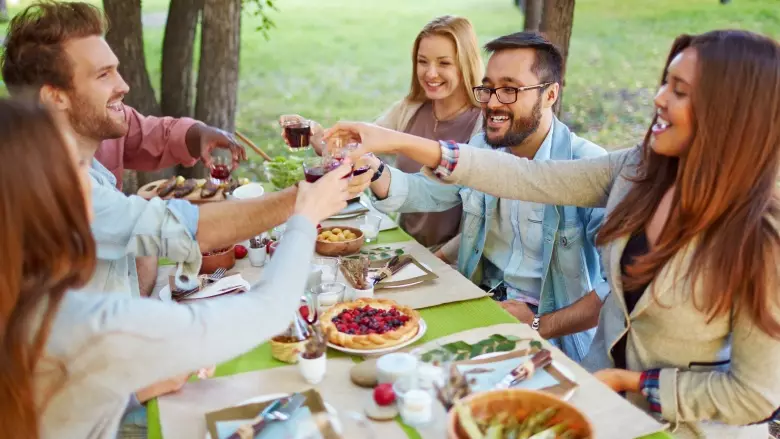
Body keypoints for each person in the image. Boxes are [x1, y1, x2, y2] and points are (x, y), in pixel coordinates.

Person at [327, 29, 780, 438]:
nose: (659, 98)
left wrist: (632, 383)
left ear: (730, 114)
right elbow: (524, 178)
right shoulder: (638, 170)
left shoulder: (761, 237)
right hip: (598, 396)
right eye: (665, 83)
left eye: (679, 91)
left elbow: (756, 395)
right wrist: (399, 142)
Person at [0, 98, 352, 439]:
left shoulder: (30, 304)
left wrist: (134, 392)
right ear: (42, 195)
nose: (98, 181)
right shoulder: (83, 322)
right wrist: (304, 216)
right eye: (78, 165)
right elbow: (270, 309)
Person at [0, 1, 364, 300]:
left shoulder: (78, 160)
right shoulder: (56, 190)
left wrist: (197, 134)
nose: (124, 85)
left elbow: (149, 136)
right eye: (103, 75)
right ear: (55, 97)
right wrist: (304, 199)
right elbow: (187, 230)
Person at [338, 32, 608, 363]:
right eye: (489, 88)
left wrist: (540, 324)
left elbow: (618, 289)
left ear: (550, 94)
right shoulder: (482, 147)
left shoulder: (590, 168)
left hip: (553, 341)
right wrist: (376, 171)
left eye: (510, 89)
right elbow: (429, 194)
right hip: (477, 301)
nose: (492, 102)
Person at [281, 15, 484, 251]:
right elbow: (356, 150)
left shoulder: (481, 123)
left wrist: (442, 258)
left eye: (444, 63)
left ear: (465, 64)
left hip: (454, 260)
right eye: (422, 61)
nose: (430, 73)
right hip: (406, 244)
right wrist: (314, 132)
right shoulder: (409, 109)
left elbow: (484, 217)